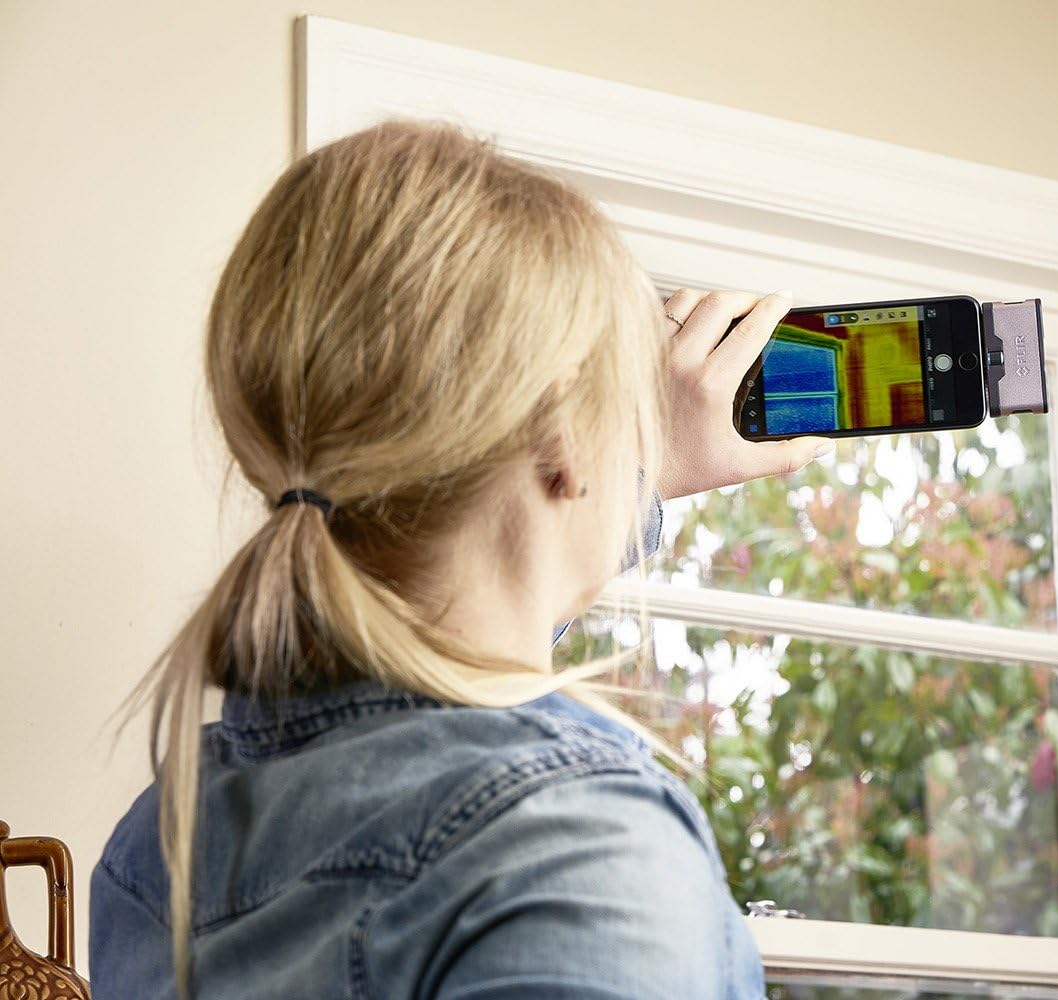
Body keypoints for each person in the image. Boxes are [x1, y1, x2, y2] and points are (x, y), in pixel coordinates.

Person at [89, 120, 833, 999]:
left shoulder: (159, 843)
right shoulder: (572, 843)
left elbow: (437, 664)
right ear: (562, 434)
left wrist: (623, 462)